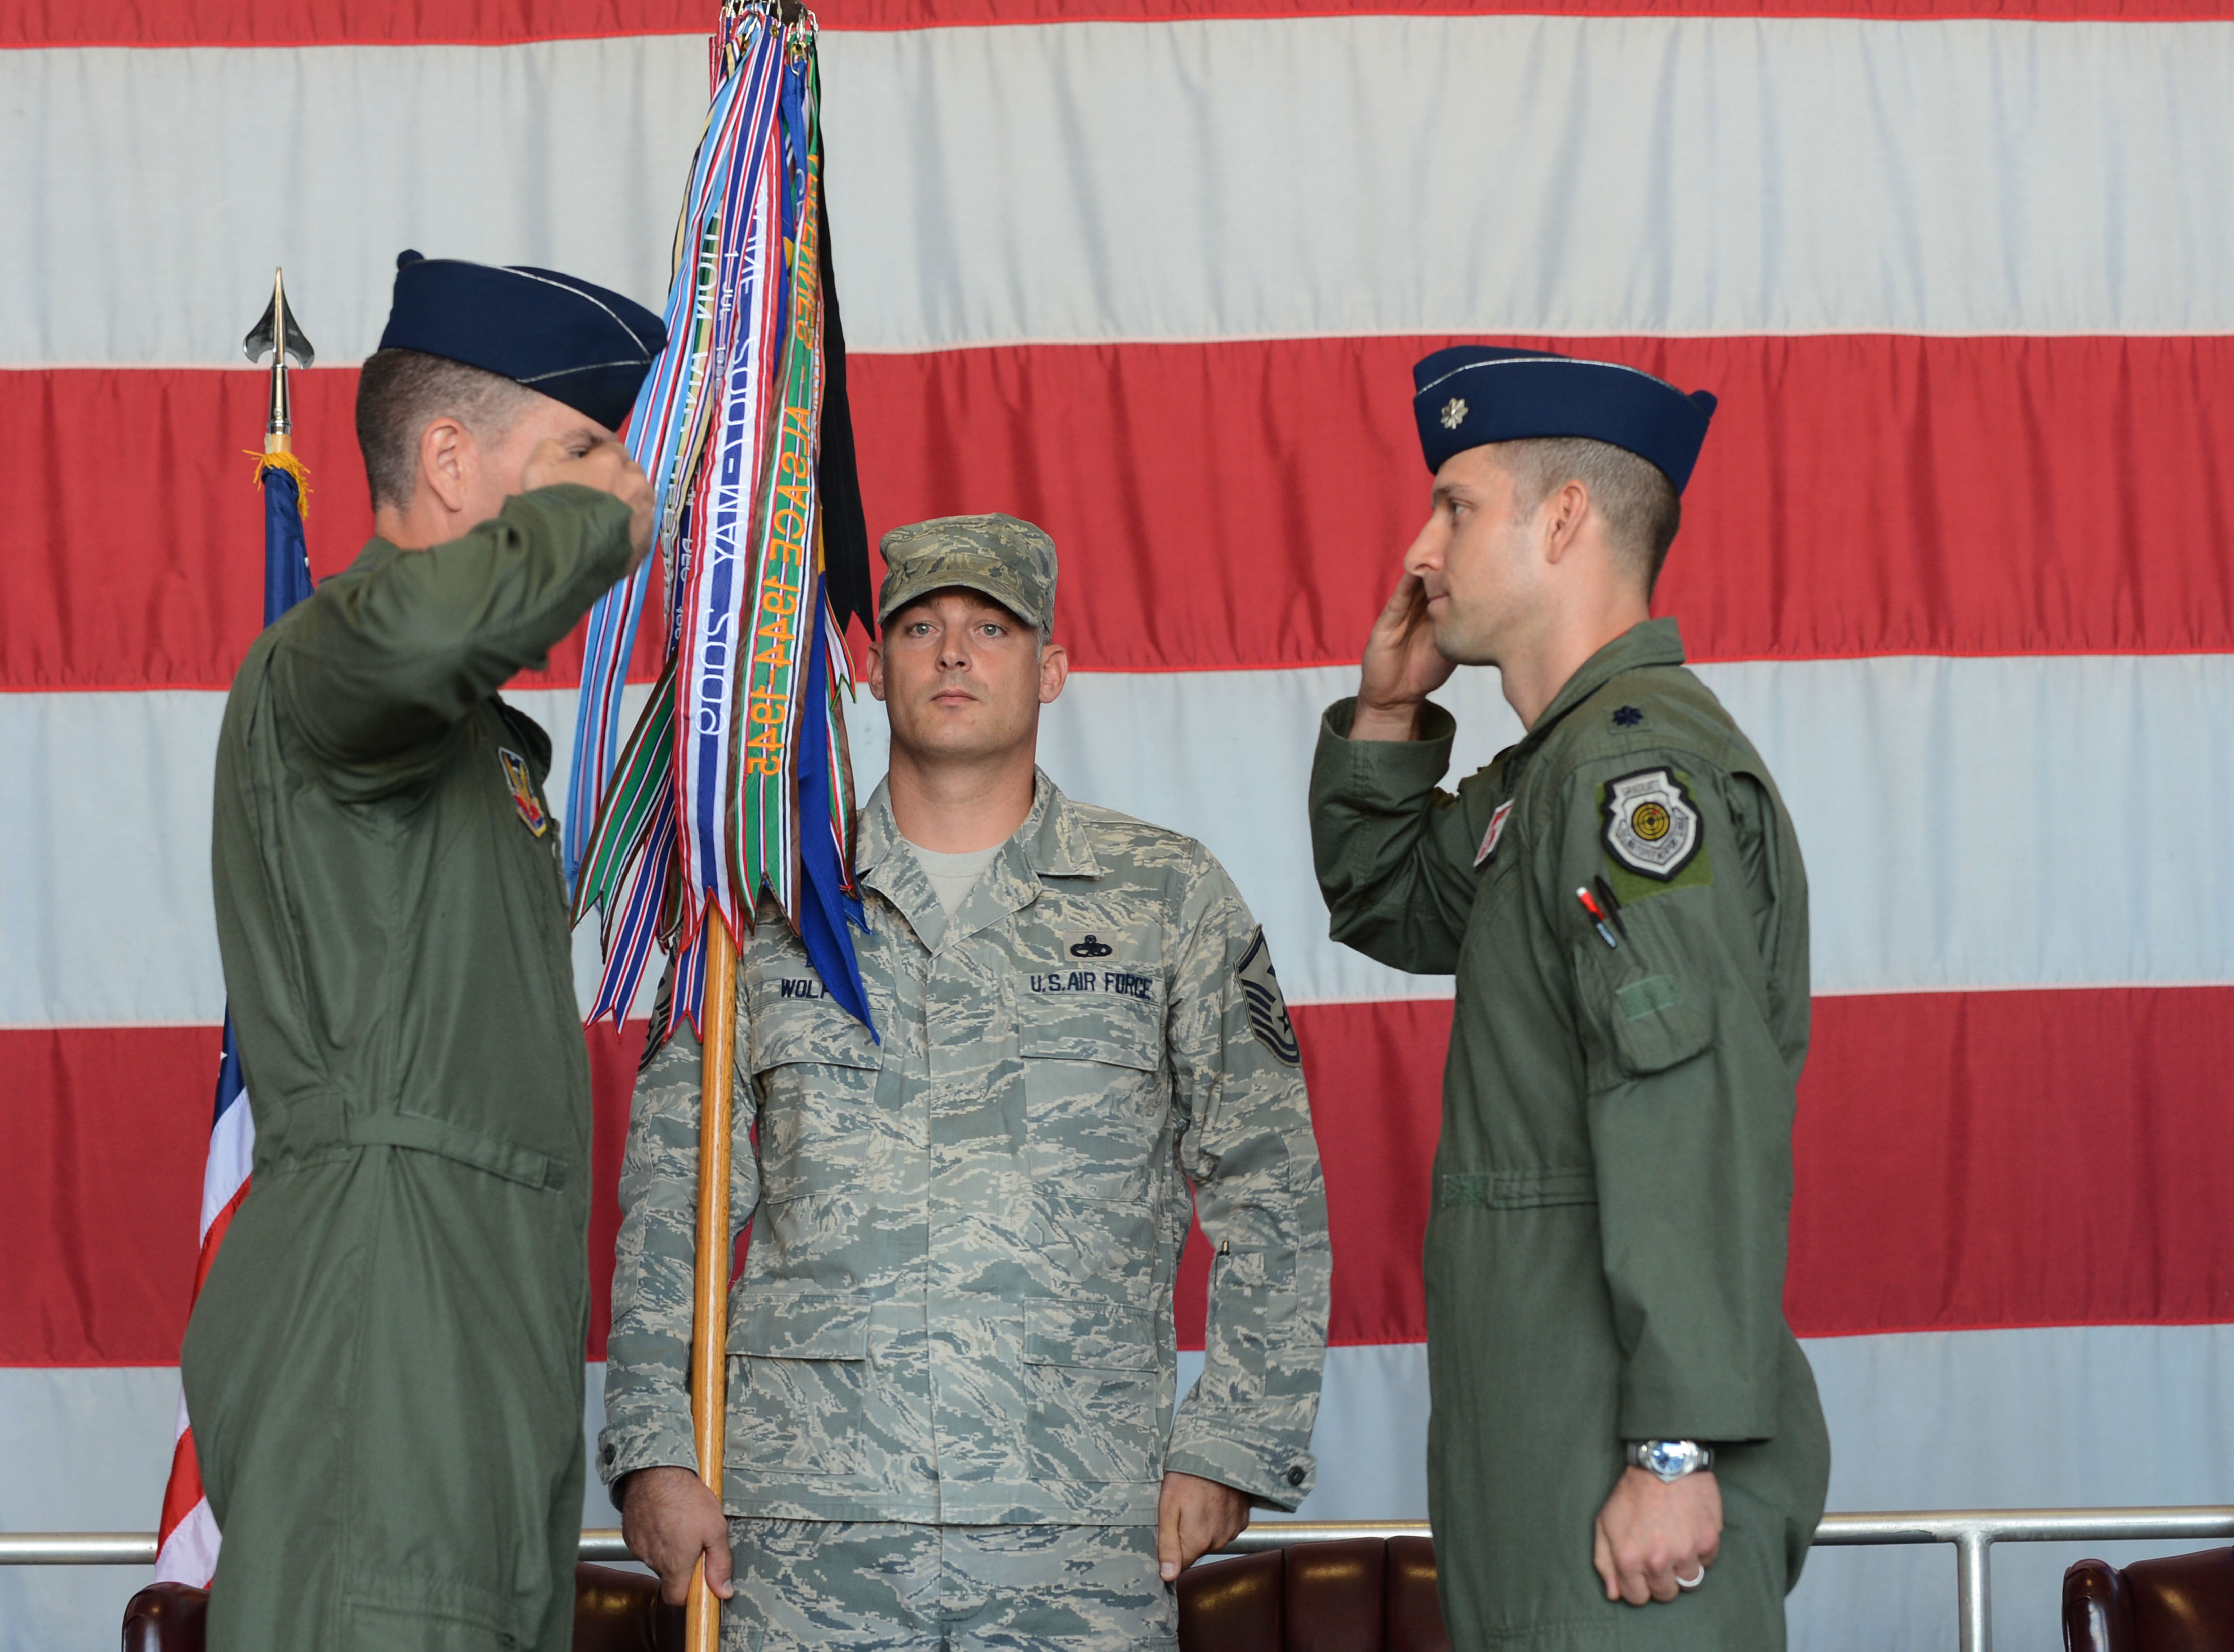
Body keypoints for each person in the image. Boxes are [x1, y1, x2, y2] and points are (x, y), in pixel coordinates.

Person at [601, 514, 1331, 1650]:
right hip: (804, 1543)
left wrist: (1231, 1442)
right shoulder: (760, 908)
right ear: (872, 663)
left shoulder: (1164, 896)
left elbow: (1269, 1184)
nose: (953, 653)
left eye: (992, 626)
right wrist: (653, 1445)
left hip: (1078, 1530)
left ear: (1050, 671)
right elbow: (670, 1205)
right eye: (920, 625)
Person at [1307, 347, 1830, 1651]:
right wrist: (1385, 714)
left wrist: (1674, 1445)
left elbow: (1687, 1103)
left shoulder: (1627, 777)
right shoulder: (1551, 776)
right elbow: (1392, 900)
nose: (1420, 548)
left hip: (1624, 1462)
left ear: (1562, 520)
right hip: (1550, 1447)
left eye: (1455, 506)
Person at [183, 251, 661, 1652]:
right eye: (582, 452)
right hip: (378, 1327)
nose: (624, 488)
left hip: (464, 1332)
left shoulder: (475, 741)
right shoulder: (332, 662)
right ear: (450, 459)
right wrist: (596, 527)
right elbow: (414, 637)